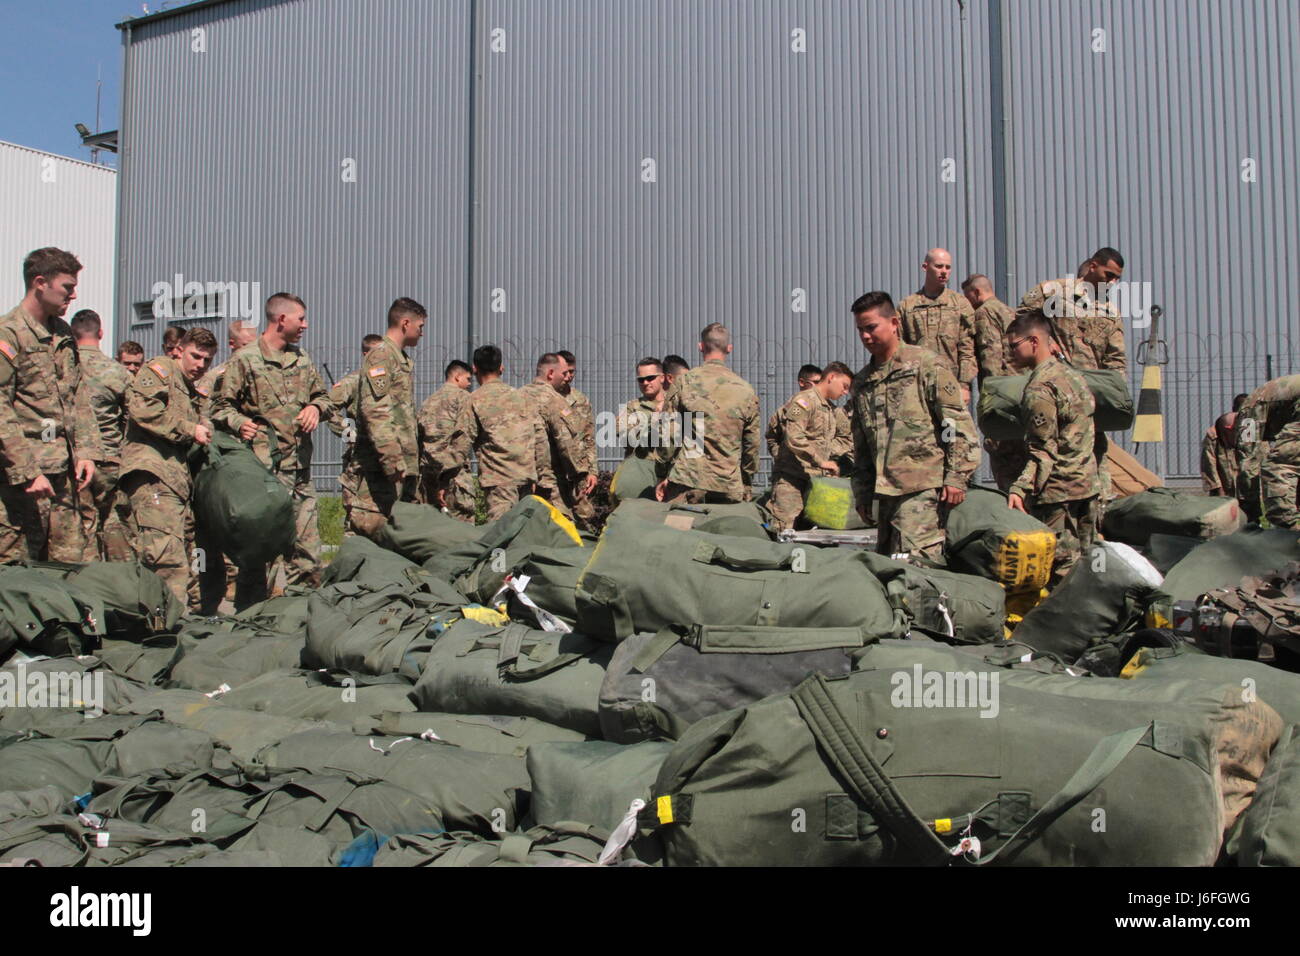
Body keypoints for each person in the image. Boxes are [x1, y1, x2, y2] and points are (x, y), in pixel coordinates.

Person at [210, 292, 333, 607]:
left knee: (308, 556)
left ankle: (300, 619)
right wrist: (238, 421)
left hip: (300, 474)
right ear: (281, 319)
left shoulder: (301, 359)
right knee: (259, 556)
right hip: (263, 475)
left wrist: (316, 408)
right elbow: (220, 406)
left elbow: (324, 396)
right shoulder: (246, 359)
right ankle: (251, 622)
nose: (305, 325)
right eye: (301, 318)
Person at [848, 291, 979, 562]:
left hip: (922, 491)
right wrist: (862, 493)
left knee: (920, 572)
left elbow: (957, 424)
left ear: (894, 323)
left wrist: (956, 477)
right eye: (860, 330)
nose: (865, 337)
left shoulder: (926, 365)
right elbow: (861, 446)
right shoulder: (862, 382)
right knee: (887, 571)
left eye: (871, 327)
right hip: (885, 496)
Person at [0, 247, 100, 563]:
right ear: (40, 282)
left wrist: (86, 451)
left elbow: (78, 396)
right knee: (17, 577)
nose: (73, 295)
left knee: (69, 571)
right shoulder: (9, 334)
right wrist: (29, 472)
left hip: (64, 478)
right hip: (22, 485)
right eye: (67, 287)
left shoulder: (62, 334)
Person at [119, 328, 216, 604]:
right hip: (153, 474)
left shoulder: (189, 387)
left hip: (173, 478)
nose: (200, 364)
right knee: (166, 559)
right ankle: (164, 630)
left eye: (207, 360)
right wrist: (190, 428)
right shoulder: (161, 369)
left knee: (174, 554)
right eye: (195, 356)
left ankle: (165, 623)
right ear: (180, 350)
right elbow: (143, 410)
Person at [1004, 313, 1101, 587]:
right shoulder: (1074, 376)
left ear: (1034, 341)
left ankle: (1066, 625)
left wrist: (1019, 488)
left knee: (1061, 568)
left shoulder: (1039, 388)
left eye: (1014, 345)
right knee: (1089, 562)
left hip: (1059, 493)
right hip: (1087, 484)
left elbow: (1043, 449)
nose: (1011, 353)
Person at [342, 299, 425, 538]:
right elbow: (375, 412)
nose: (422, 333)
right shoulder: (382, 356)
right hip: (382, 467)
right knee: (370, 529)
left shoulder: (400, 358)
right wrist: (392, 459)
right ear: (405, 323)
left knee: (395, 533)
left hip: (402, 465)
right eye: (420, 326)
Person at [655, 323, 760, 504]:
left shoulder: (684, 383)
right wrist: (745, 482)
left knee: (678, 530)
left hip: (686, 482)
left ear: (701, 346)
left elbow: (668, 435)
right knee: (724, 530)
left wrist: (662, 474)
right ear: (729, 348)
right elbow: (752, 445)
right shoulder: (746, 391)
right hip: (728, 485)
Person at [72, 309, 135, 561]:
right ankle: (121, 583)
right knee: (113, 523)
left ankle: (88, 586)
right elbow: (136, 414)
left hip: (74, 460)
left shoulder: (65, 367)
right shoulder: (117, 371)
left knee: (82, 524)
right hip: (110, 460)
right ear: (100, 333)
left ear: (72, 333)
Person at [452, 344, 537, 520]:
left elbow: (461, 444)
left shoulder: (474, 400)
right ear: (501, 368)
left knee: (501, 538)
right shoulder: (523, 398)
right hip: (527, 479)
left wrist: (446, 480)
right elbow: (540, 439)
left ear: (474, 369)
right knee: (525, 535)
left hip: (499, 482)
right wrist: (539, 475)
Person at [768, 362, 853, 532]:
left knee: (815, 536)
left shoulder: (831, 410)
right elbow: (794, 435)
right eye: (844, 386)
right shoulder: (803, 401)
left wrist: (830, 458)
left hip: (817, 485)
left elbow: (846, 439)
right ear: (831, 377)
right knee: (785, 532)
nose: (845, 392)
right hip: (792, 482)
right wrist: (820, 460)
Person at [962, 272, 1027, 491]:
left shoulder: (984, 313)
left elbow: (991, 357)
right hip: (1020, 392)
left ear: (976, 293)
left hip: (1003, 397)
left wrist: (991, 400)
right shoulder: (1009, 311)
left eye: (968, 298)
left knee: (1004, 458)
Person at [1017, 247, 1127, 372]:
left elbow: (1116, 359)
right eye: (1109, 275)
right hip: (1049, 376)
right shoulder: (1054, 290)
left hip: (1087, 385)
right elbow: (1022, 317)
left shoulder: (1111, 313)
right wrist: (1046, 342)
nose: (1112, 282)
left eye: (1116, 278)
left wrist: (1116, 388)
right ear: (1093, 266)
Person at [897, 248, 977, 401]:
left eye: (948, 267)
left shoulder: (959, 304)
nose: (944, 271)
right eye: (939, 266)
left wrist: (964, 385)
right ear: (925, 267)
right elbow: (899, 348)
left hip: (950, 384)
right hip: (917, 385)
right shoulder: (908, 306)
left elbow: (967, 349)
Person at [519, 353, 588, 518]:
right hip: (549, 483)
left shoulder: (517, 396)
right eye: (563, 374)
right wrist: (580, 476)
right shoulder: (554, 400)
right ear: (551, 374)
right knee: (561, 529)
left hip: (521, 479)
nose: (567, 378)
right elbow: (567, 443)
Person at [419, 359, 476, 520]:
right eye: (468, 379)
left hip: (429, 476)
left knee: (433, 529)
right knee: (462, 529)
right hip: (454, 477)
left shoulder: (428, 402)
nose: (470, 384)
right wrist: (445, 478)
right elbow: (463, 438)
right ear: (457, 377)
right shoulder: (463, 398)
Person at [556, 350, 599, 529]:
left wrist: (593, 471)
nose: (568, 377)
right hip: (555, 471)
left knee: (586, 519)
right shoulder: (547, 399)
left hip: (579, 472)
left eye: (572, 372)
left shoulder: (580, 400)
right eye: (565, 372)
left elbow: (589, 436)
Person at [766, 365, 822, 462]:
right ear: (802, 382)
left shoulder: (826, 410)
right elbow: (772, 438)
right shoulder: (783, 412)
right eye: (816, 382)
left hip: (820, 469)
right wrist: (780, 456)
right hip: (792, 470)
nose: (819, 387)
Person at [619, 357, 667, 459]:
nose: (645, 383)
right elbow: (626, 439)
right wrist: (654, 420)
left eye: (650, 378)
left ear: (662, 378)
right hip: (641, 469)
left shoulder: (675, 403)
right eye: (641, 379)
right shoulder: (631, 408)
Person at [1201, 411, 1241, 498]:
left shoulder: (1250, 432)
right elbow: (1209, 463)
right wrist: (1218, 488)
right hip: (1225, 487)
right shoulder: (1214, 436)